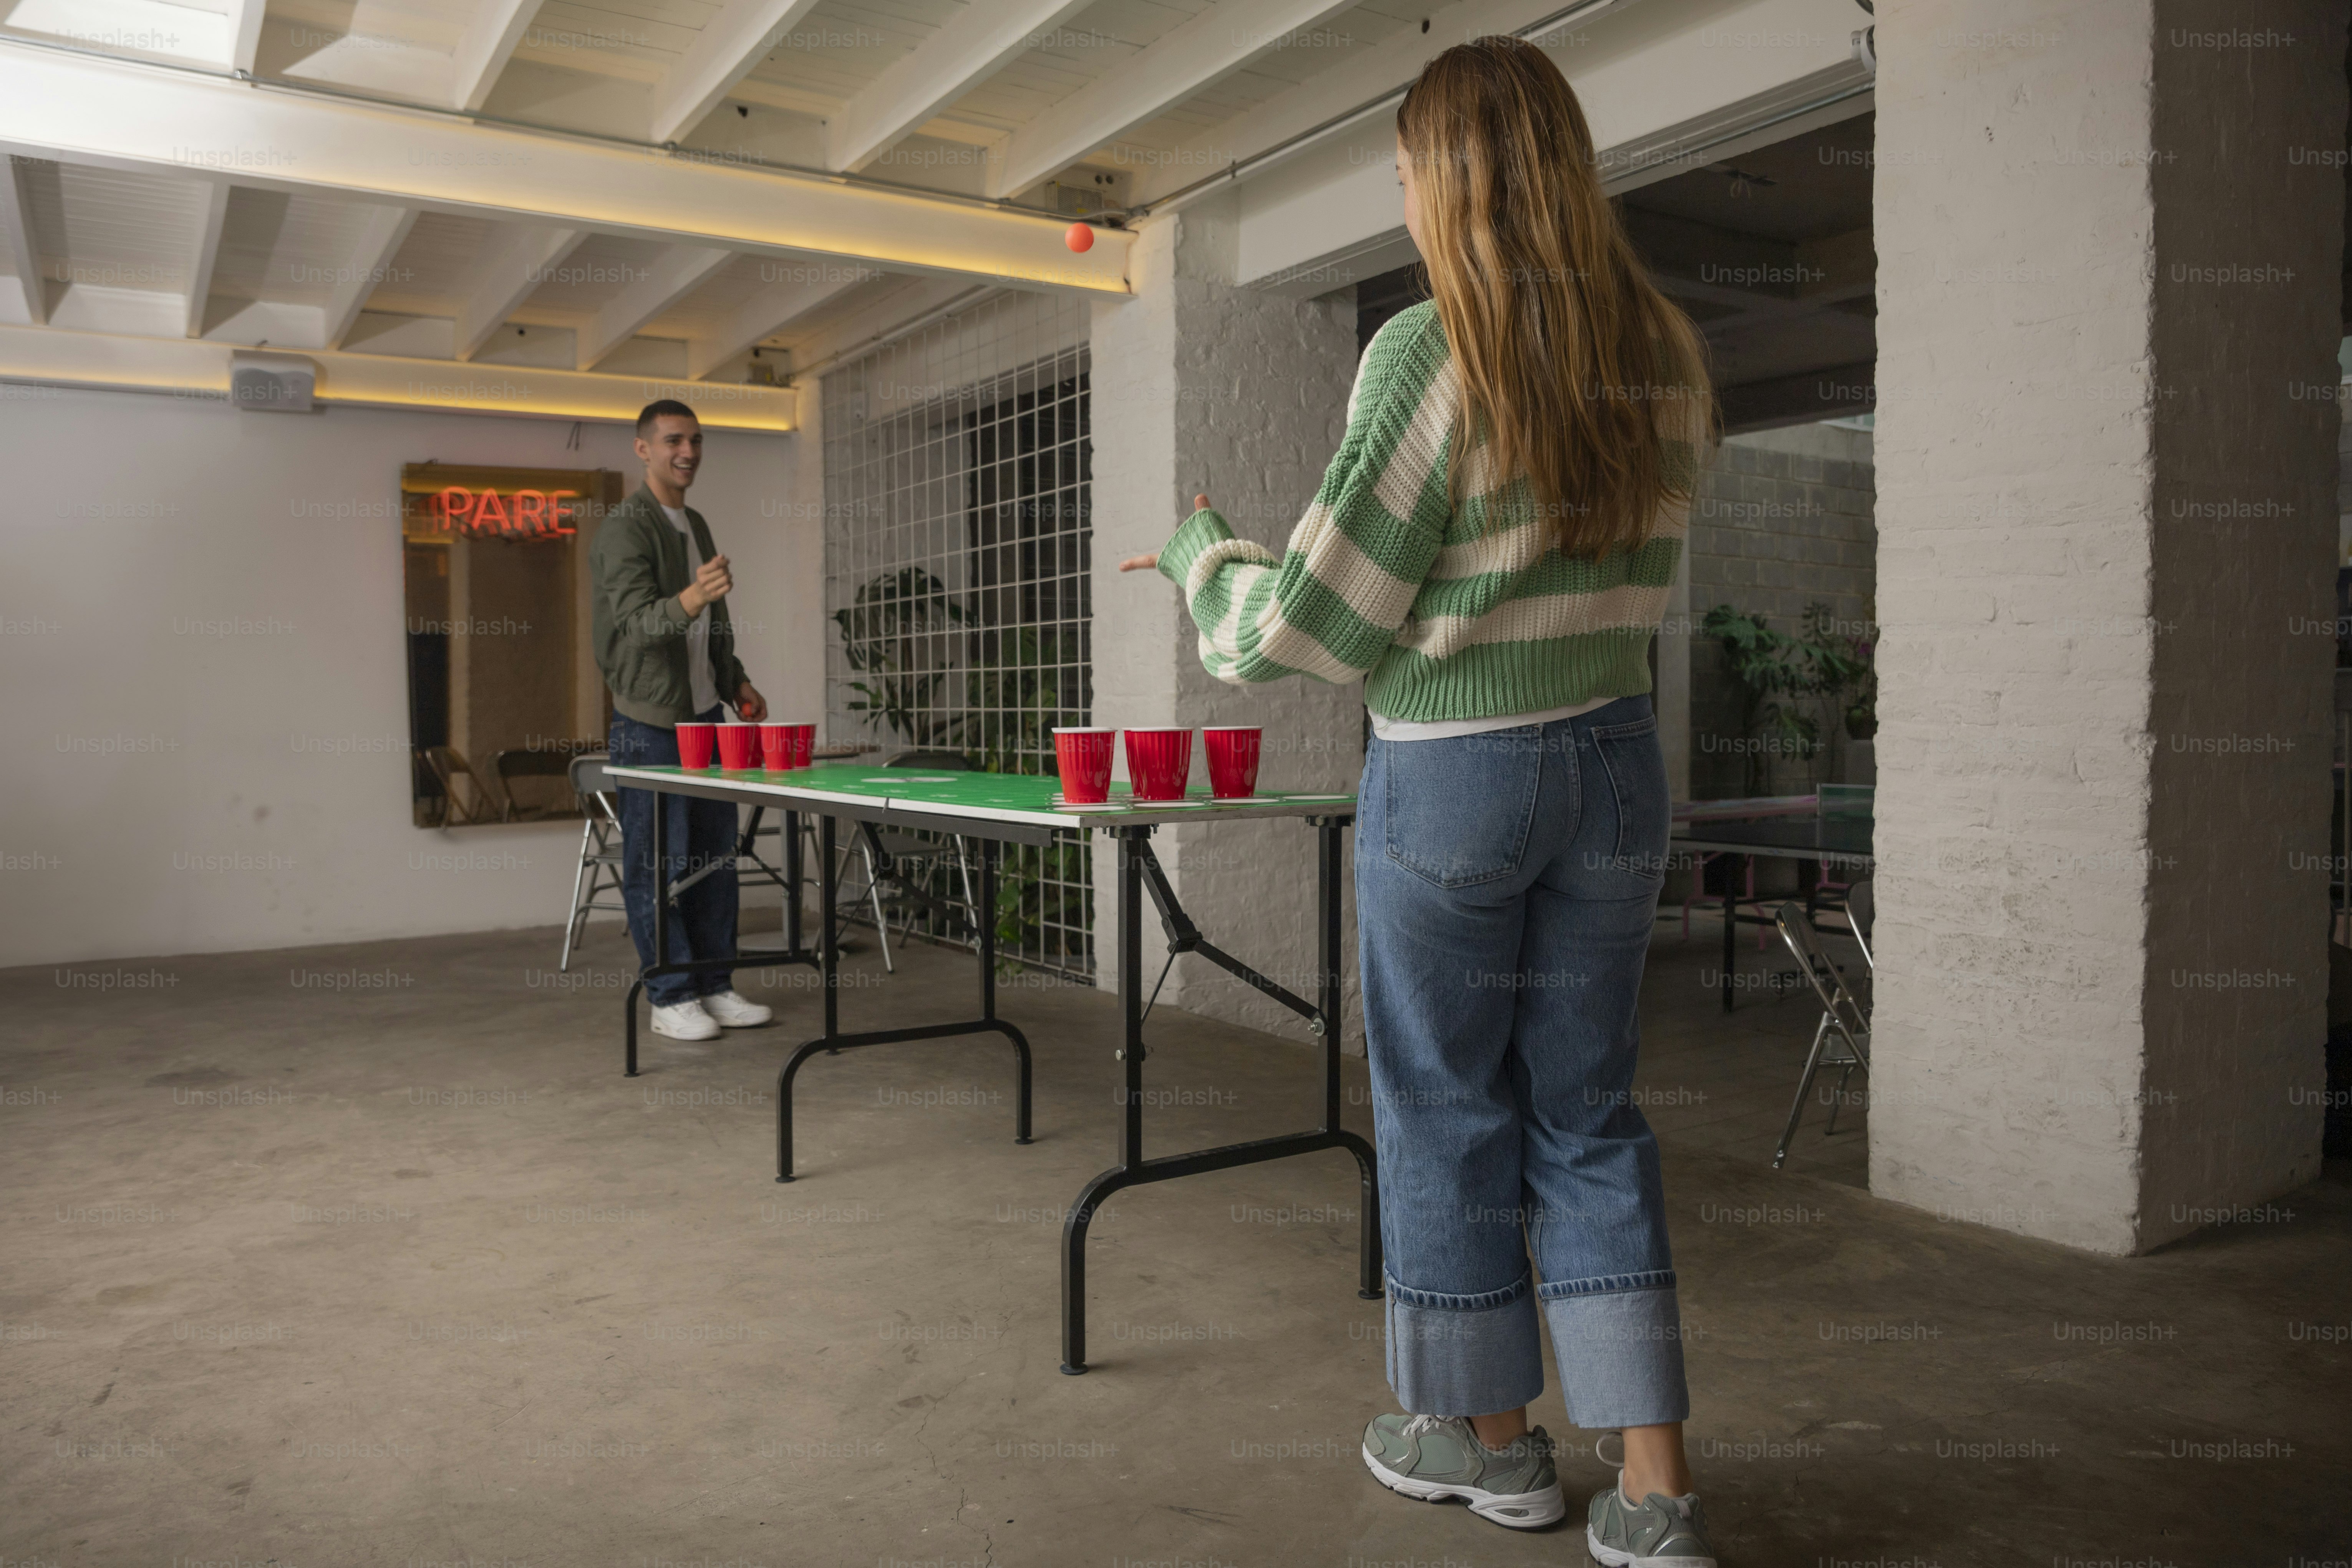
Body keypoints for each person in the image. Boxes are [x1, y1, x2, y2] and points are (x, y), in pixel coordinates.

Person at [1120, 36, 1719, 1568]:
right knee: (1587, 1113)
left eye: (1402, 169)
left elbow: (1312, 625)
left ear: (1448, 181)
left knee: (1447, 1111)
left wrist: (1204, 558)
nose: (1396, 196)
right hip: (1614, 766)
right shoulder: (1657, 343)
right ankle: (1654, 1492)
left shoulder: (1429, 350)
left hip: (1459, 778)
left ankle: (1491, 1447)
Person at [590, 399, 774, 1043]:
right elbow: (640, 626)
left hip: (705, 718)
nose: (688, 452)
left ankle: (715, 984)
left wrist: (736, 681)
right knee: (658, 862)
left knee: (714, 858)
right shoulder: (624, 528)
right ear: (642, 448)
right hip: (649, 723)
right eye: (673, 441)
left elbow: (711, 626)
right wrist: (696, 594)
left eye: (695, 440)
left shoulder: (694, 520)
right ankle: (669, 996)